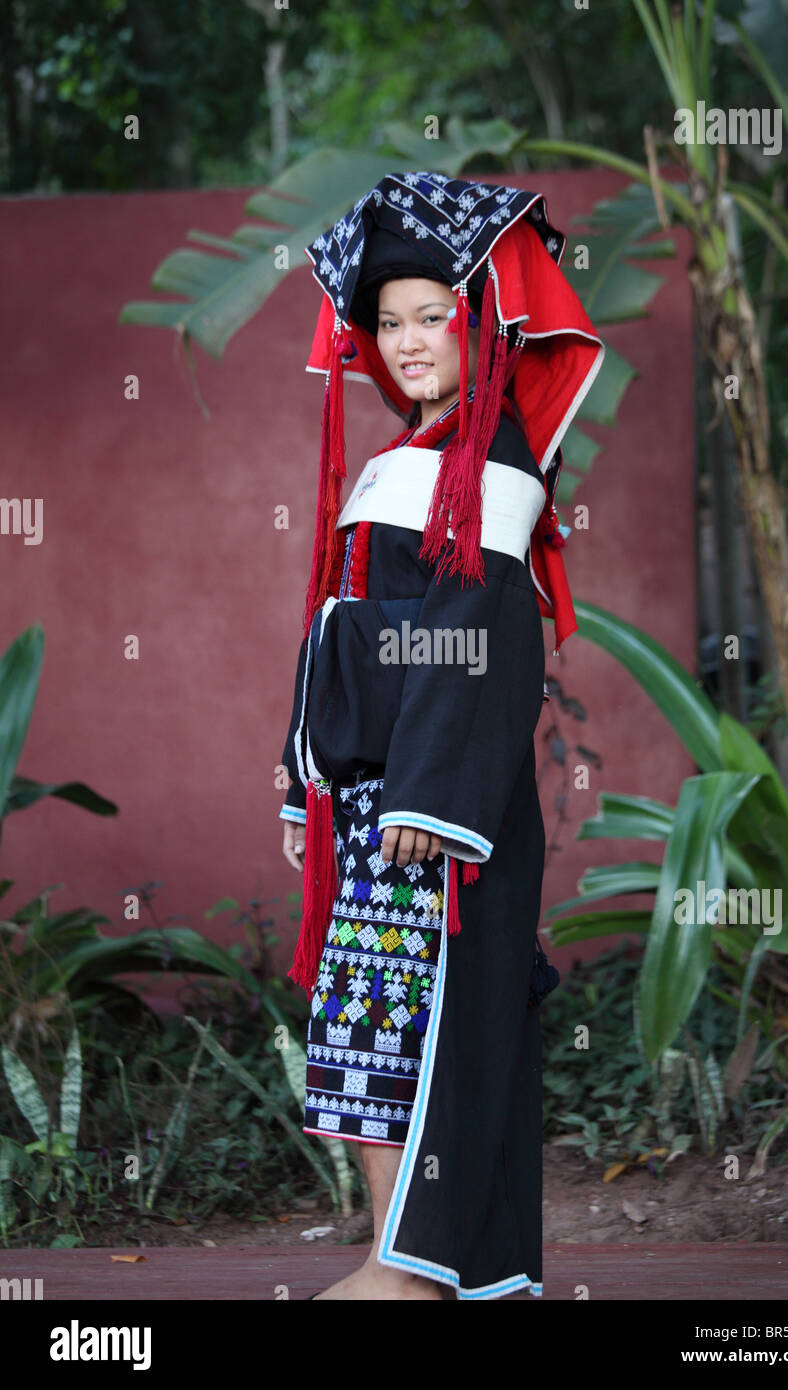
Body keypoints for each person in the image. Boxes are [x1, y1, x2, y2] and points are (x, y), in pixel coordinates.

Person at [277, 172, 604, 1300]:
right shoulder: (398, 464)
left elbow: (479, 647)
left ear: (478, 325)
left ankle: (418, 1270)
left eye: (432, 316)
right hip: (370, 800)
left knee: (425, 1031)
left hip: (430, 819)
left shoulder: (490, 472)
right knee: (363, 1039)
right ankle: (388, 1251)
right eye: (388, 320)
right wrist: (304, 773)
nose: (407, 341)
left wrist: (425, 798)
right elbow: (344, 630)